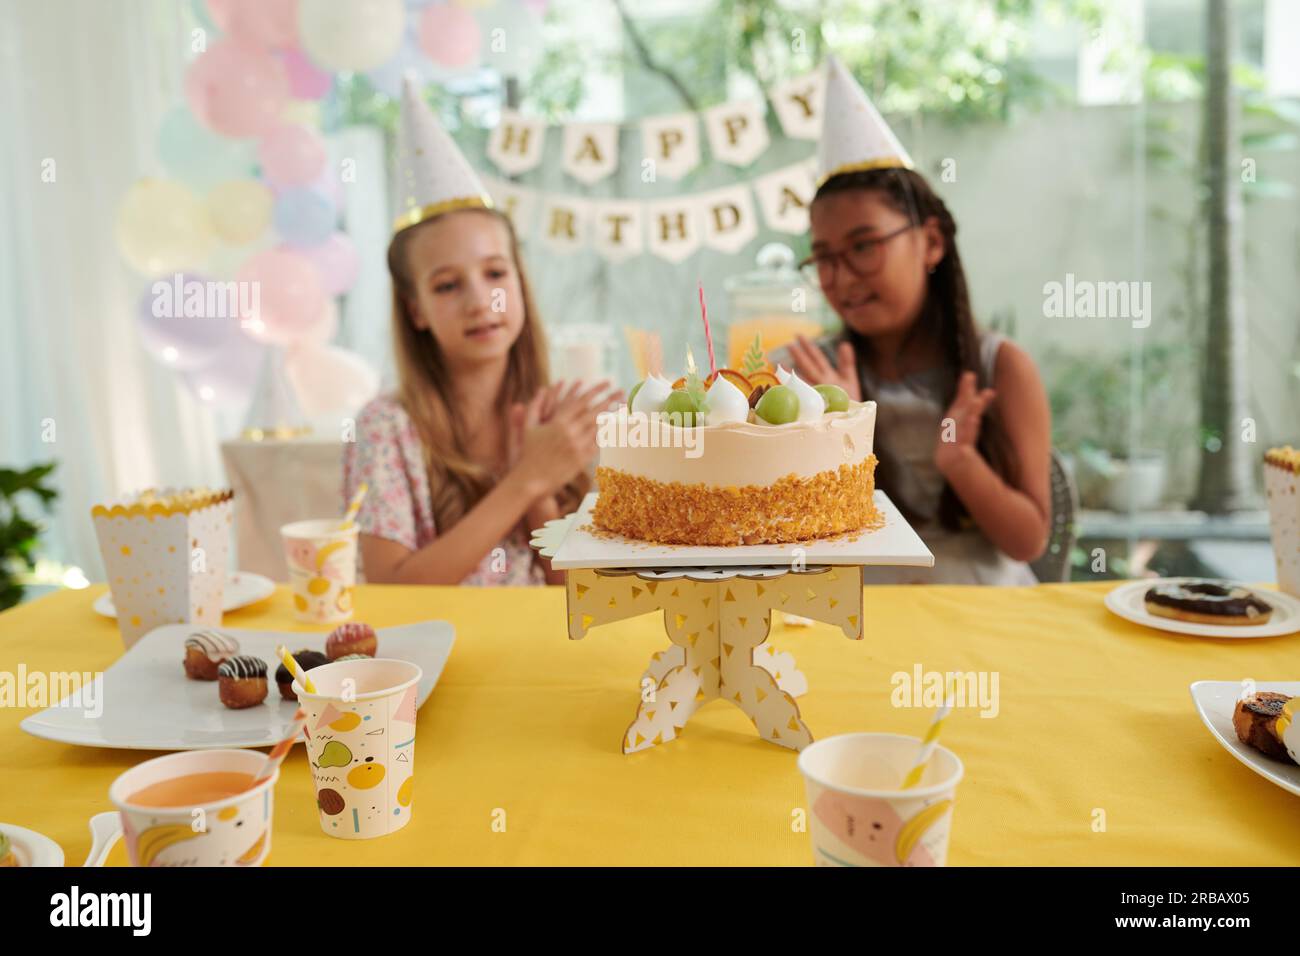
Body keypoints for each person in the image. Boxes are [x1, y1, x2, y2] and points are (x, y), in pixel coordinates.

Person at [776, 59, 1051, 585]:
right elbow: (790, 539)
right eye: (824, 258)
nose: (842, 277)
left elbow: (1028, 540)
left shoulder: (1001, 367)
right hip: (864, 616)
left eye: (863, 246)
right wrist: (842, 433)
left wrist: (962, 462)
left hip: (984, 612)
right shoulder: (813, 378)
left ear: (930, 241)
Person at [344, 78, 618, 586]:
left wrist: (540, 489)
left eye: (495, 273)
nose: (479, 301)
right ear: (416, 310)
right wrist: (525, 480)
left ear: (519, 280)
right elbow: (392, 591)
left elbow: (577, 593)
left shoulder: (550, 416)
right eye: (447, 286)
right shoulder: (386, 430)